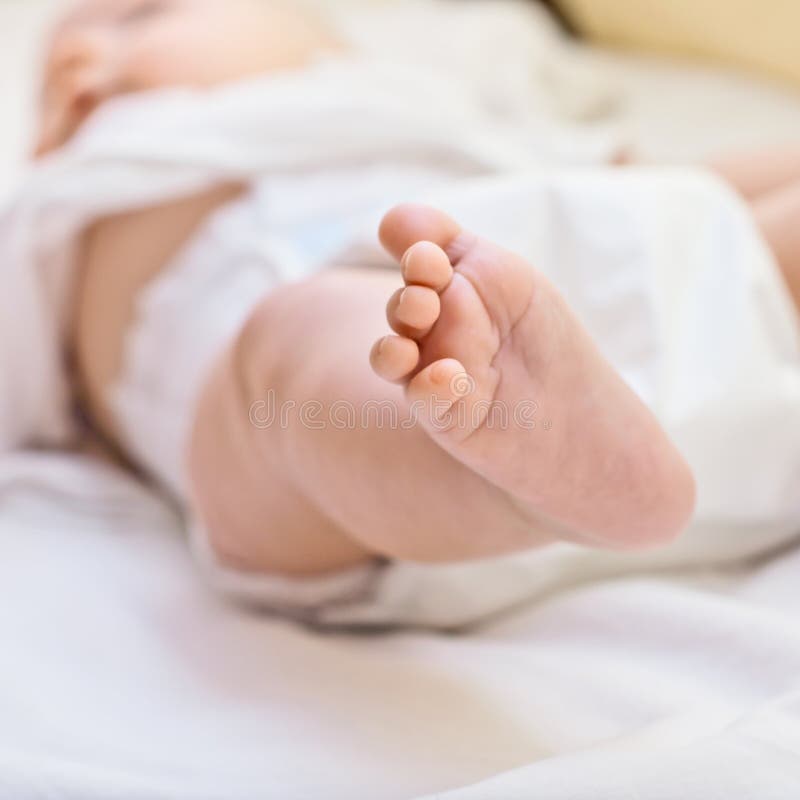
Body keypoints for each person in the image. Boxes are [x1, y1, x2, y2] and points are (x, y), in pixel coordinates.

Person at [15, 0, 800, 621]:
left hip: (553, 304)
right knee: (300, 350)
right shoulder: (62, 204)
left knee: (708, 209)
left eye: (144, 14)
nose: (80, 56)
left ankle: (538, 455)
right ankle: (518, 464)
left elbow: (647, 189)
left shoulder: (438, 124)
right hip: (311, 414)